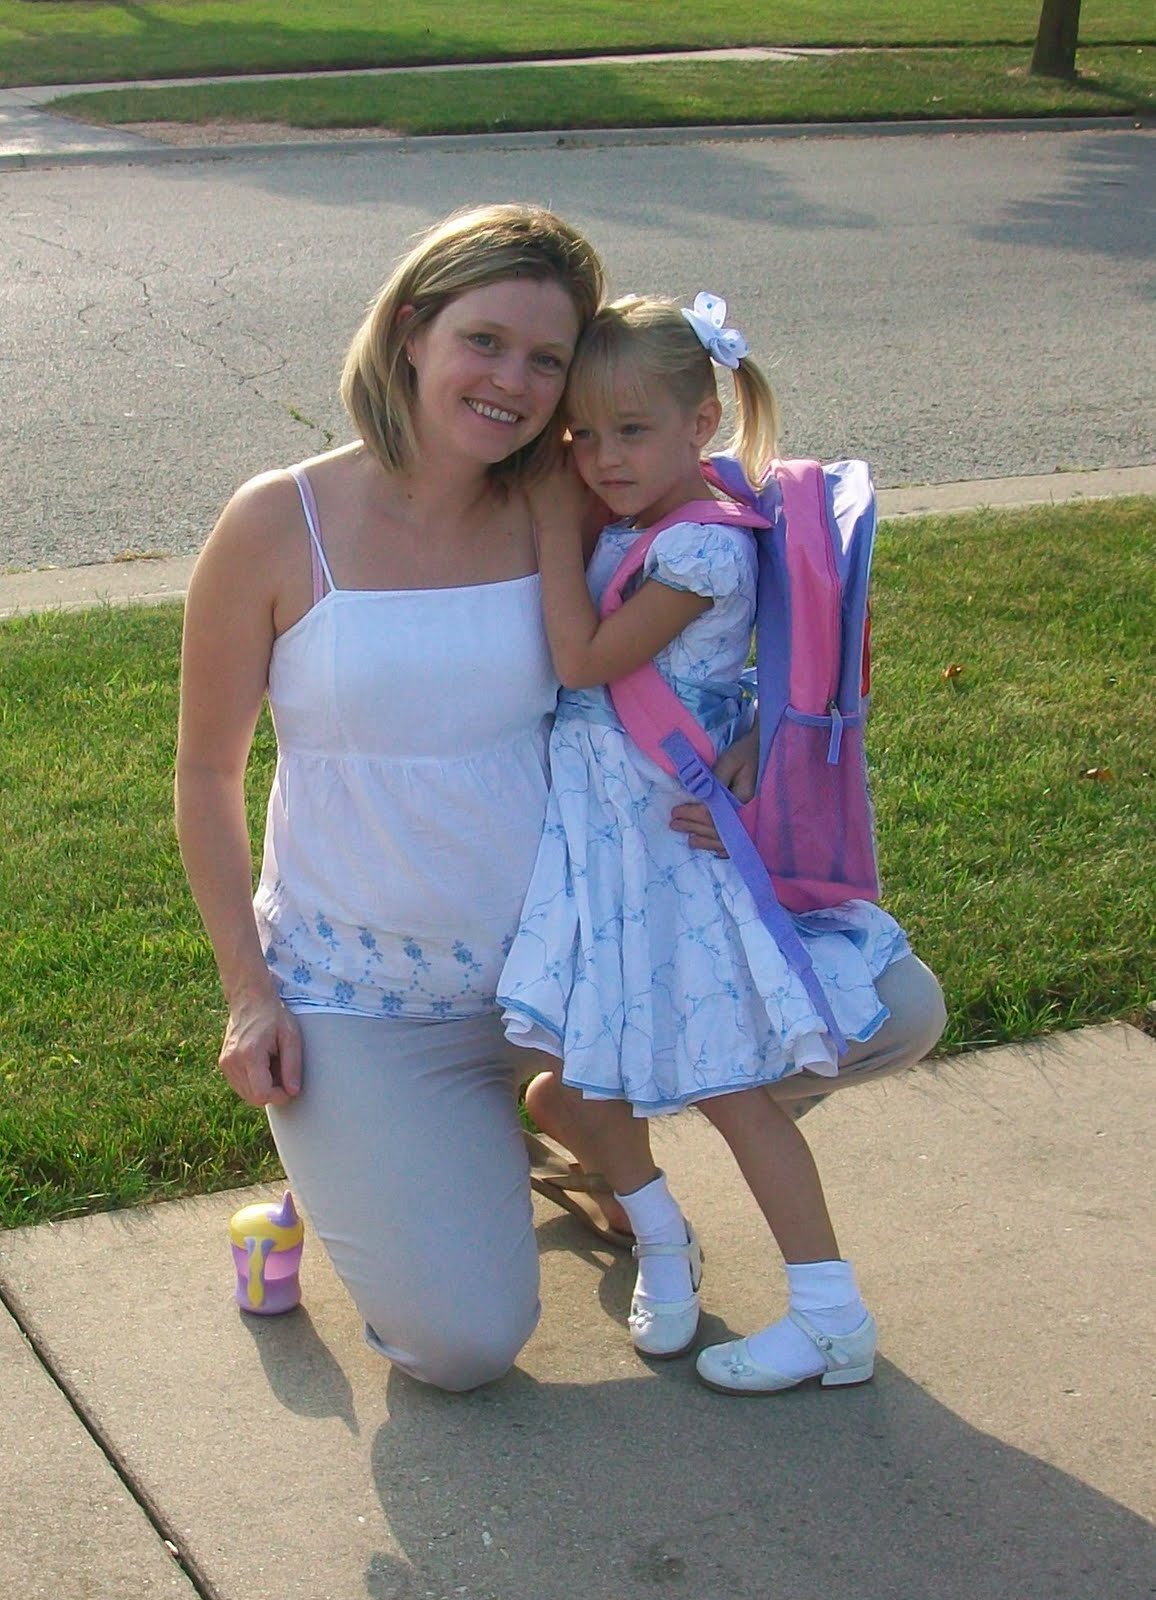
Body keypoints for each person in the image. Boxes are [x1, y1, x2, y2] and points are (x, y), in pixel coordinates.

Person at [497, 293, 947, 1394]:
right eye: (583, 436)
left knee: (735, 1085)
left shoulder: (699, 543)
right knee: (575, 1079)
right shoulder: (654, 517)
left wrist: (554, 524)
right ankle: (660, 1240)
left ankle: (830, 1315)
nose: (603, 459)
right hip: (611, 850)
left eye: (631, 431)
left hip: (672, 854)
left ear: (701, 423)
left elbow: (584, 660)